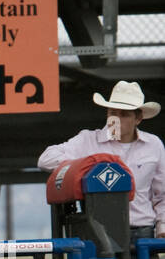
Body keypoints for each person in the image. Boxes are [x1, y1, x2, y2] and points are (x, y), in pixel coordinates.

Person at [38, 81, 165, 244]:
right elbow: (45, 159)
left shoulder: (154, 145)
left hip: (141, 231)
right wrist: (89, 165)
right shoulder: (88, 140)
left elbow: (161, 194)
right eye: (112, 113)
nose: (116, 119)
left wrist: (162, 227)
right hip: (99, 232)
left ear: (138, 118)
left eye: (124, 114)